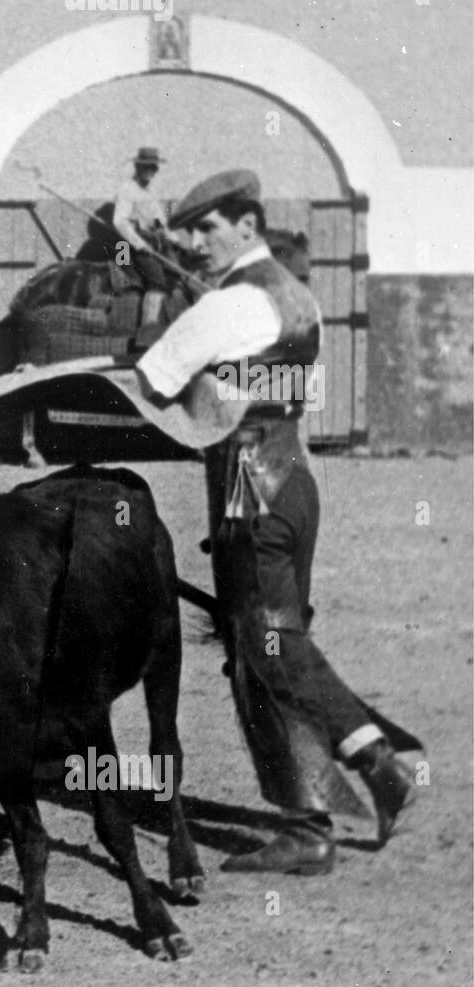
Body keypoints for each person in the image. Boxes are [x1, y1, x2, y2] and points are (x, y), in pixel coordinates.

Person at [134, 169, 419, 875]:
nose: (193, 241)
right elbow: (286, 388)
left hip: (244, 494)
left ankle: (370, 775)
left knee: (264, 651)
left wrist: (183, 317)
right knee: (277, 644)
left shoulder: (224, 305)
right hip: (293, 481)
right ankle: (324, 809)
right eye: (189, 230)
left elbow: (151, 380)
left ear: (247, 227)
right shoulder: (299, 300)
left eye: (207, 228)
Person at [112, 147, 176, 327]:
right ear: (137, 167)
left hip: (151, 241)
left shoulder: (149, 191)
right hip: (126, 245)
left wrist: (173, 238)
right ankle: (148, 332)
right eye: (146, 167)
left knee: (176, 271)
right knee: (157, 281)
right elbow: (119, 222)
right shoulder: (127, 189)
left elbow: (159, 221)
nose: (150, 171)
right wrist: (139, 244)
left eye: (153, 168)